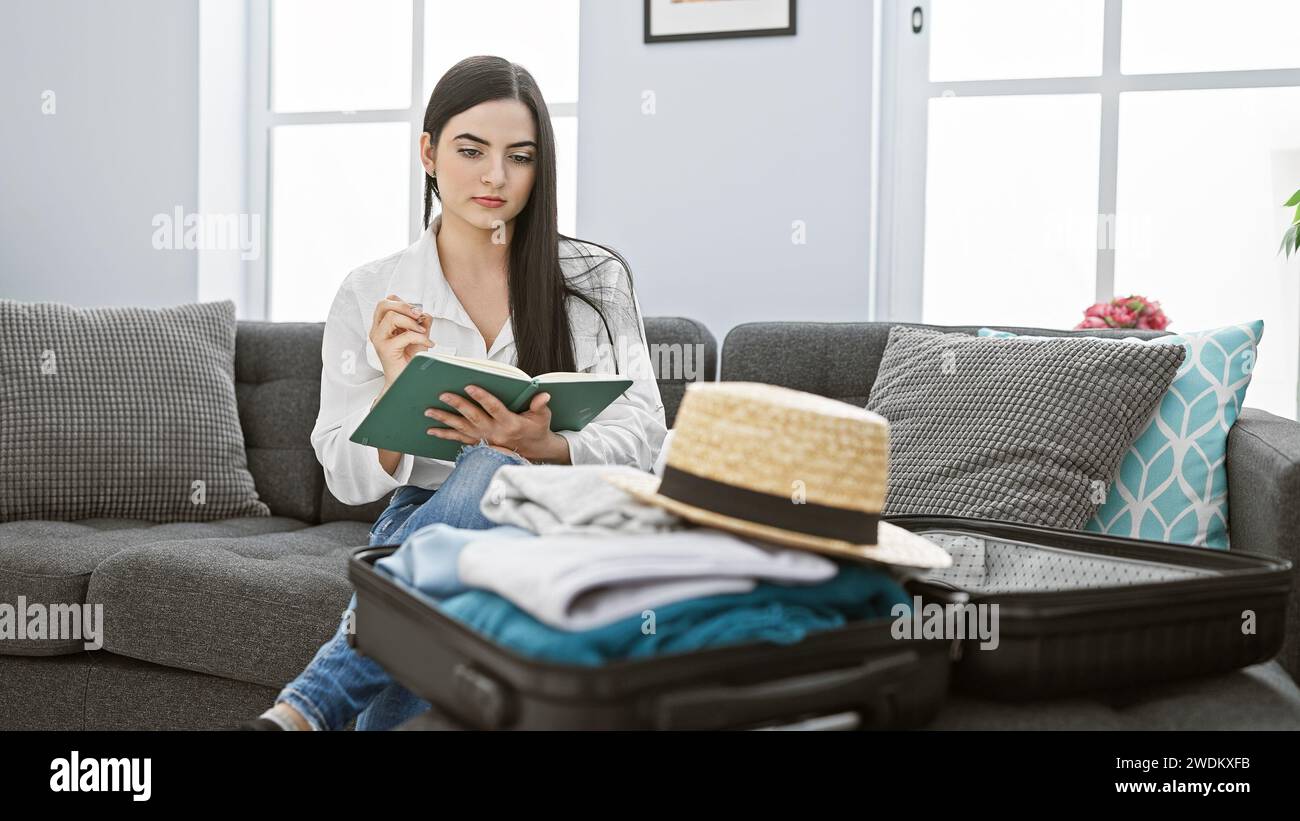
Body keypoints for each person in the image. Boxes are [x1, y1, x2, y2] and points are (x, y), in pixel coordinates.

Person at [241, 55, 667, 731]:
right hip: (427, 511)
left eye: (519, 157)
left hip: (566, 518)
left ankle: (306, 708)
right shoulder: (370, 290)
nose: (496, 176)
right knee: (482, 478)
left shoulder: (595, 278)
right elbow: (346, 478)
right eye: (472, 150)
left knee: (496, 468)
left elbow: (647, 430)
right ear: (430, 154)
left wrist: (549, 445)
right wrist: (391, 384)